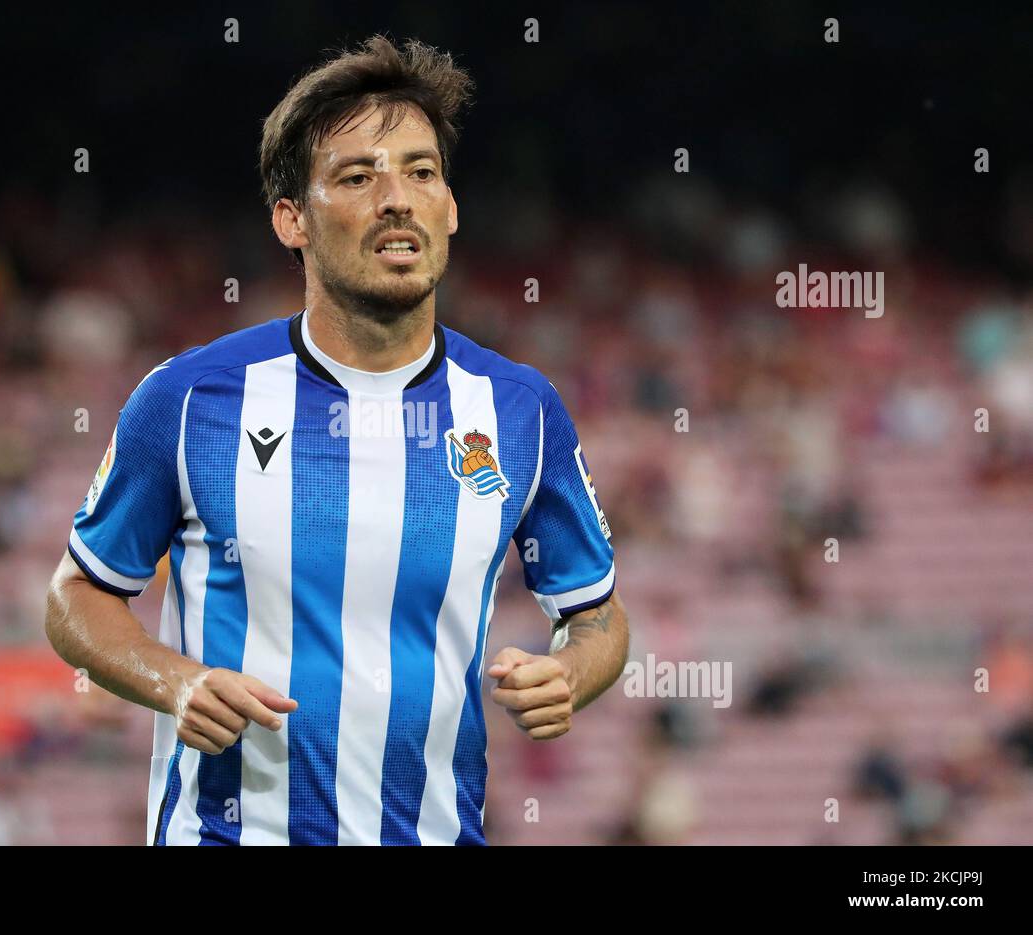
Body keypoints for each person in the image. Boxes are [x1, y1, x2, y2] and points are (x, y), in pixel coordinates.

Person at [45, 35, 630, 846]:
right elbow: (77, 594)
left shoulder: (519, 411)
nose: (398, 199)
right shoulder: (189, 401)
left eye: (421, 173)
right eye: (358, 177)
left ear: (450, 207)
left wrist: (568, 673)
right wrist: (173, 680)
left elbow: (597, 615)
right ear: (292, 219)